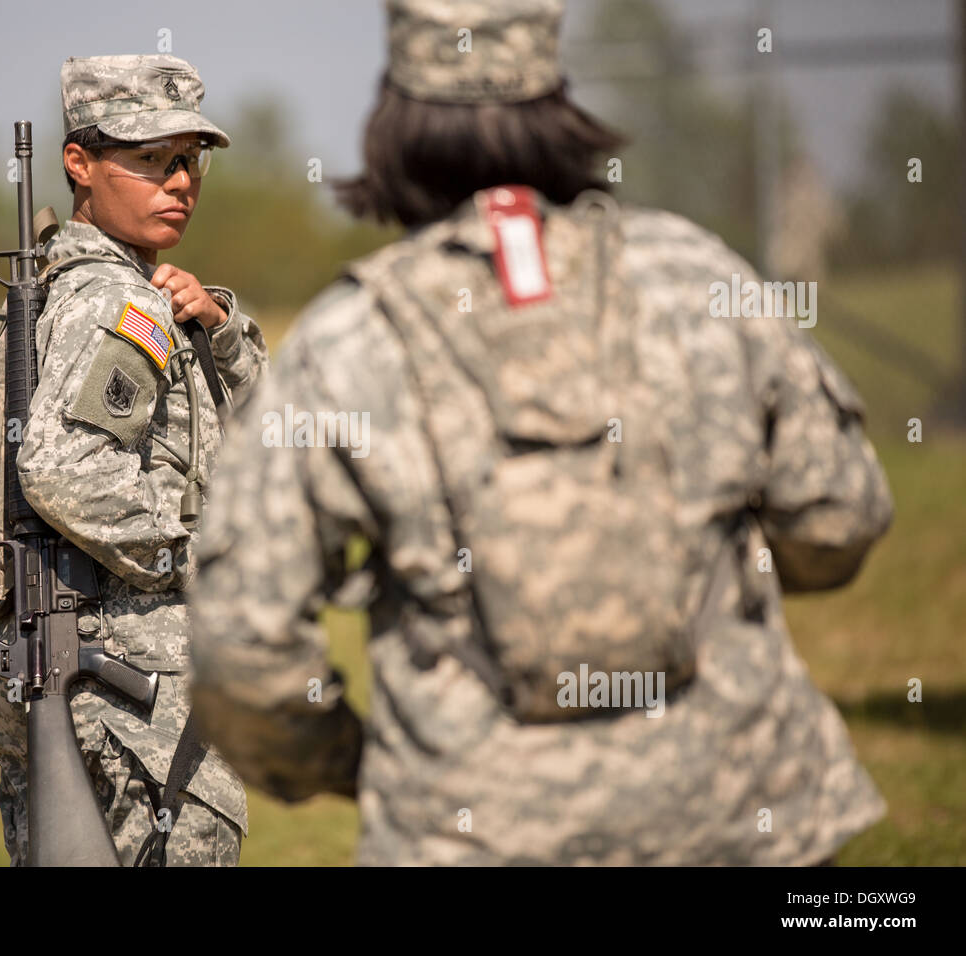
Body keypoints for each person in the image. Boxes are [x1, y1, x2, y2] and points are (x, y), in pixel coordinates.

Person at [188, 0, 893, 865]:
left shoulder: (351, 337)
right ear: (558, 99)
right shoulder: (693, 274)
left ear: (394, 120)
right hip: (743, 820)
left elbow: (242, 649)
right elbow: (838, 522)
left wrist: (362, 766)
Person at [0, 54, 267, 866]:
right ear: (79, 163)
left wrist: (221, 334)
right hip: (130, 704)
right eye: (149, 159)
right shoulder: (121, 302)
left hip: (92, 687)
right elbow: (62, 468)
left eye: (189, 160)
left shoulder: (88, 288)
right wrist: (198, 544)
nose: (179, 182)